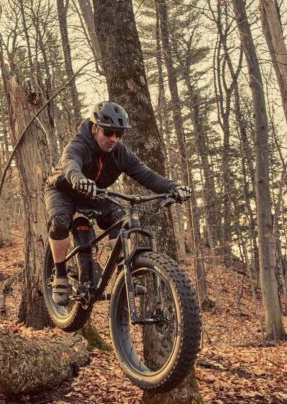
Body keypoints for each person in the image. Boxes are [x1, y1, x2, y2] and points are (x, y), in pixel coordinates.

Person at [44, 101, 191, 306]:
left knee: (122, 218)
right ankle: (60, 275)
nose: (113, 138)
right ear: (95, 128)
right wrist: (78, 179)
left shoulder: (120, 153)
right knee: (60, 221)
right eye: (109, 132)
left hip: (93, 193)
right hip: (63, 189)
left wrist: (173, 188)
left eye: (119, 134)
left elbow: (146, 175)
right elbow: (70, 164)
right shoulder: (79, 144)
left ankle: (125, 273)